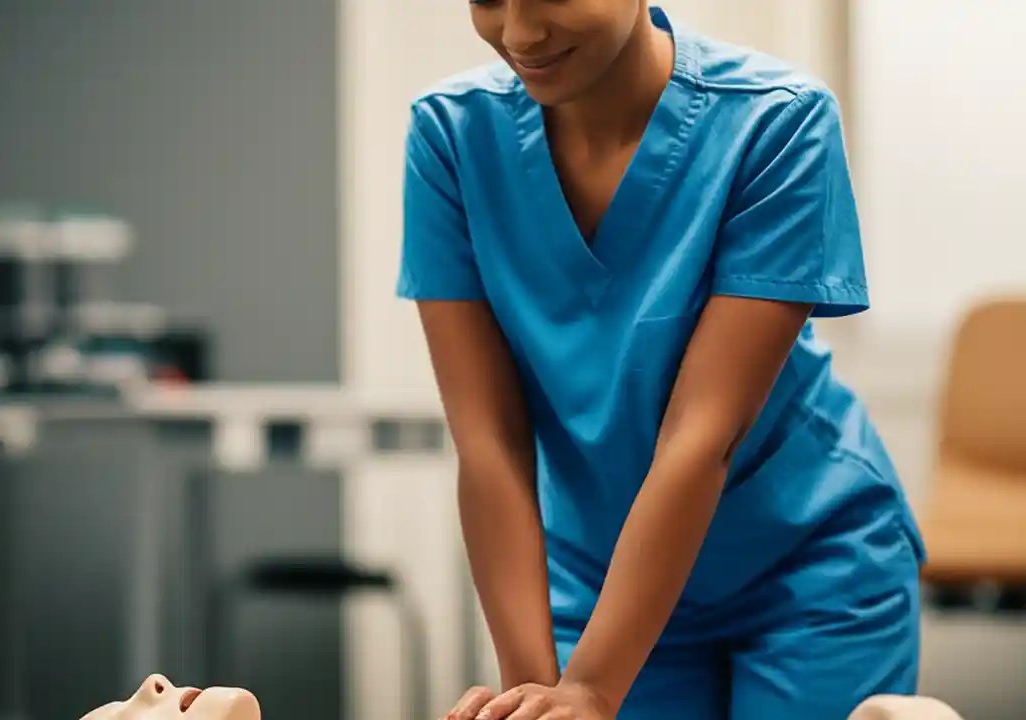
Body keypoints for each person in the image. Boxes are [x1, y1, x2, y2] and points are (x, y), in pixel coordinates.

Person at [396, 3, 926, 719]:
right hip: (601, 576)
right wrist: (536, 696)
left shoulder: (777, 122)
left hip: (807, 566)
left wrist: (589, 689)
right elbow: (489, 444)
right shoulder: (452, 136)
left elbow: (701, 434)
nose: (519, 34)